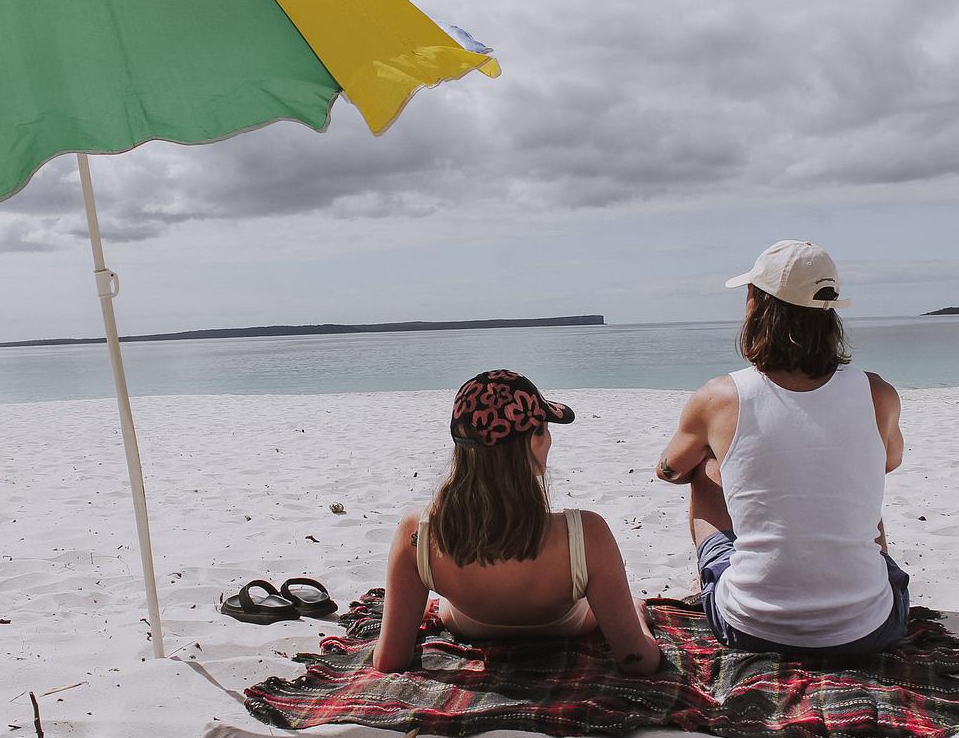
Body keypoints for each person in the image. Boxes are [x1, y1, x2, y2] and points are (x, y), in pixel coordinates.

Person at [656, 240, 910, 654]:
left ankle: (729, 579)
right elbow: (889, 461)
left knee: (704, 471)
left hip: (751, 627)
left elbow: (668, 471)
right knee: (855, 488)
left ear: (755, 303)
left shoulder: (720, 397)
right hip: (869, 629)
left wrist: (726, 456)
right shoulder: (877, 393)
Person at [373, 369, 661, 675]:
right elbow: (639, 661)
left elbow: (389, 661)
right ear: (534, 439)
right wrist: (637, 615)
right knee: (630, 603)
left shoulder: (420, 532)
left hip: (468, 624)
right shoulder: (585, 534)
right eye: (545, 428)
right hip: (567, 625)